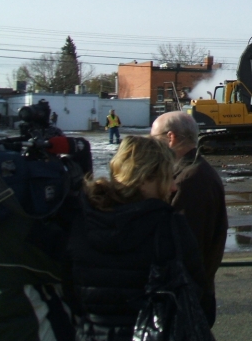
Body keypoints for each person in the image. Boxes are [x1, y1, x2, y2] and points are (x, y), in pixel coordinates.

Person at [66, 136, 209, 340]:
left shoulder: (82, 219)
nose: (173, 187)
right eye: (167, 177)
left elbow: (66, 287)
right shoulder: (167, 225)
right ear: (145, 179)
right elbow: (194, 289)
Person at [151, 111, 227, 325]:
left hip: (186, 299)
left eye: (154, 139)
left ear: (170, 137)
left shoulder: (191, 180)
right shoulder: (191, 173)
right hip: (190, 295)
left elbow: (186, 251)